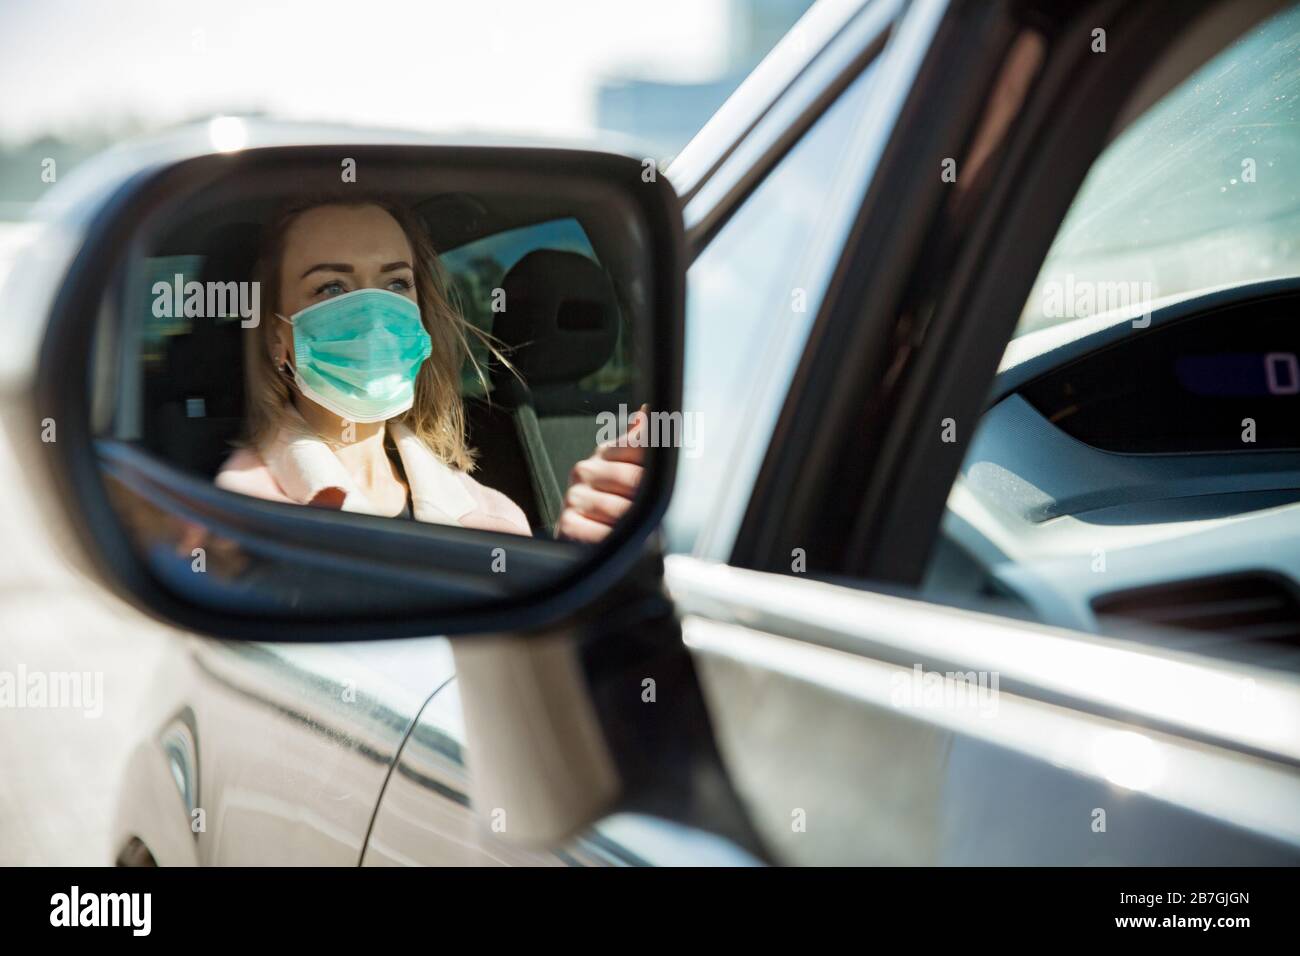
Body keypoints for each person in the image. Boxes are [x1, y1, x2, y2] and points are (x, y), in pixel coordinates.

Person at [215, 197, 643, 543]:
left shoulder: (495, 515)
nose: (376, 316)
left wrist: (572, 555)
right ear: (277, 338)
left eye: (396, 284)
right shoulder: (240, 514)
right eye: (332, 287)